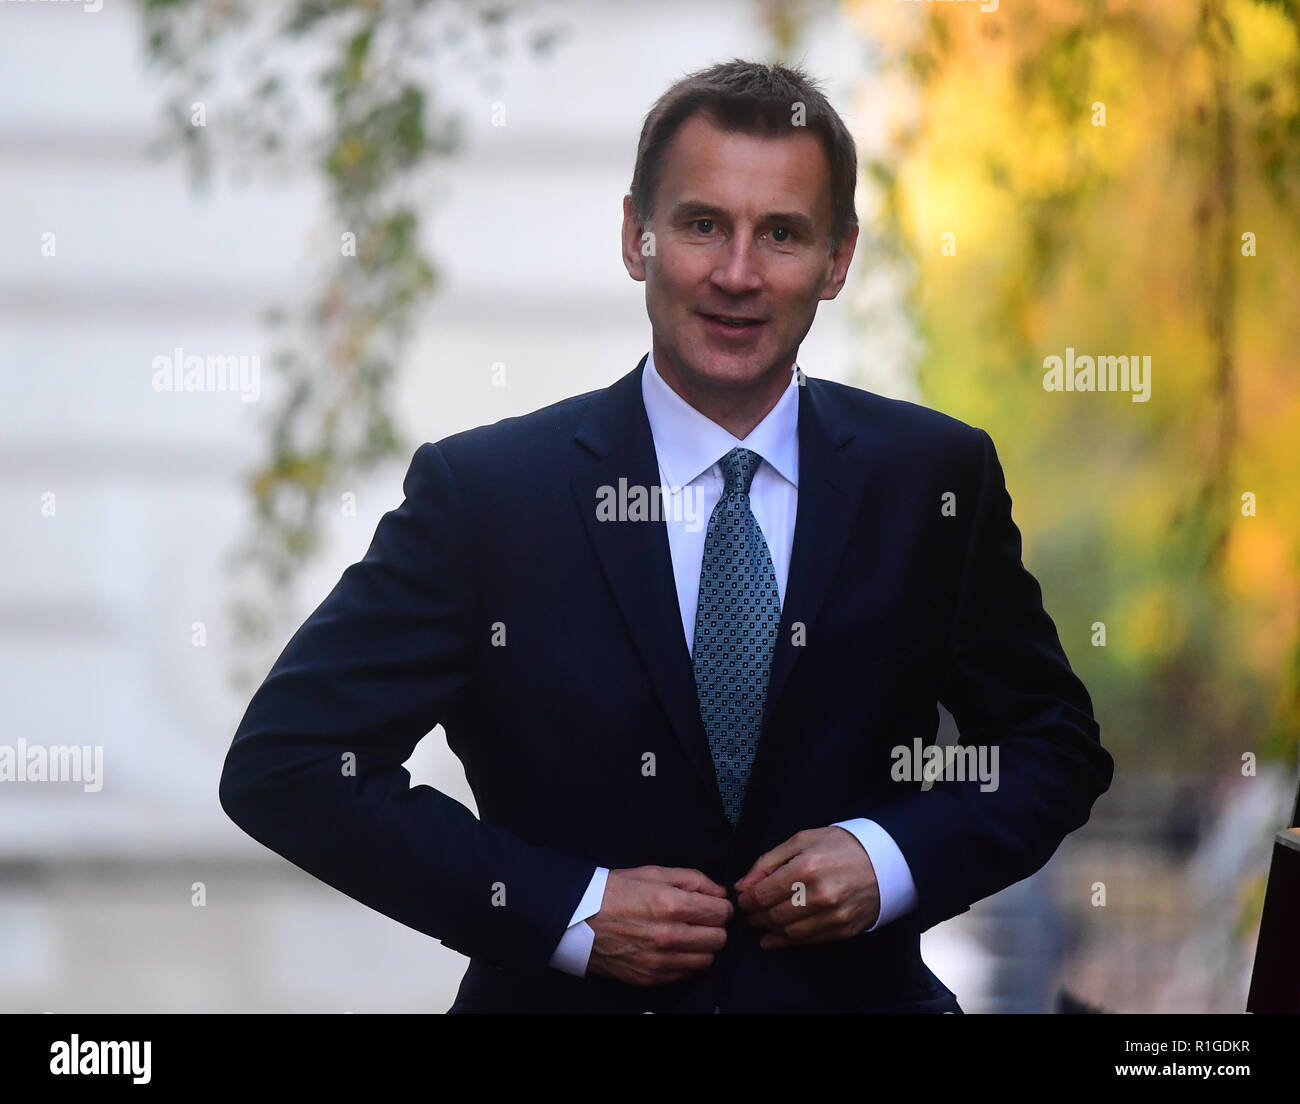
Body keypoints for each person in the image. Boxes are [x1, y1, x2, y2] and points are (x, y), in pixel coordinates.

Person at [219, 58, 1114, 1014]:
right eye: (701, 225)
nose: (737, 274)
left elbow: (1051, 745)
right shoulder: (487, 498)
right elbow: (291, 765)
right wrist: (567, 909)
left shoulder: (932, 479)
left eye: (781, 233)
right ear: (635, 238)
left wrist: (888, 859)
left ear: (839, 259)